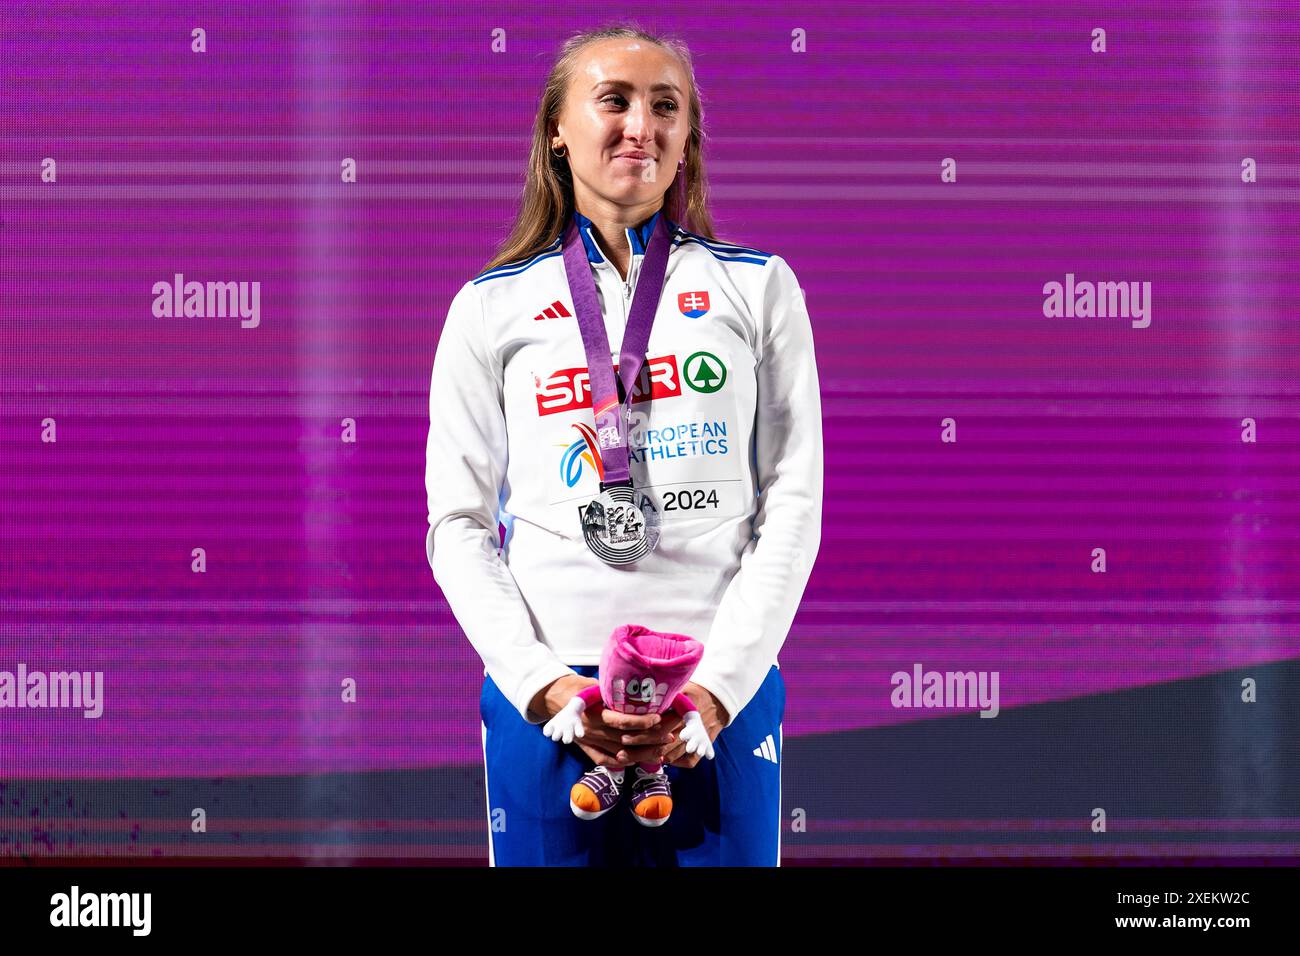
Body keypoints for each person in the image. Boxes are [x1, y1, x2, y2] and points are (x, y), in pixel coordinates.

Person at [425, 22, 823, 866]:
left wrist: (716, 693)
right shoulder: (489, 307)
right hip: (552, 704)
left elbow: (793, 504)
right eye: (614, 100)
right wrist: (545, 689)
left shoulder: (758, 287)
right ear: (557, 132)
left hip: (720, 699)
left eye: (665, 106)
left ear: (687, 139)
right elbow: (456, 524)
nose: (641, 124)